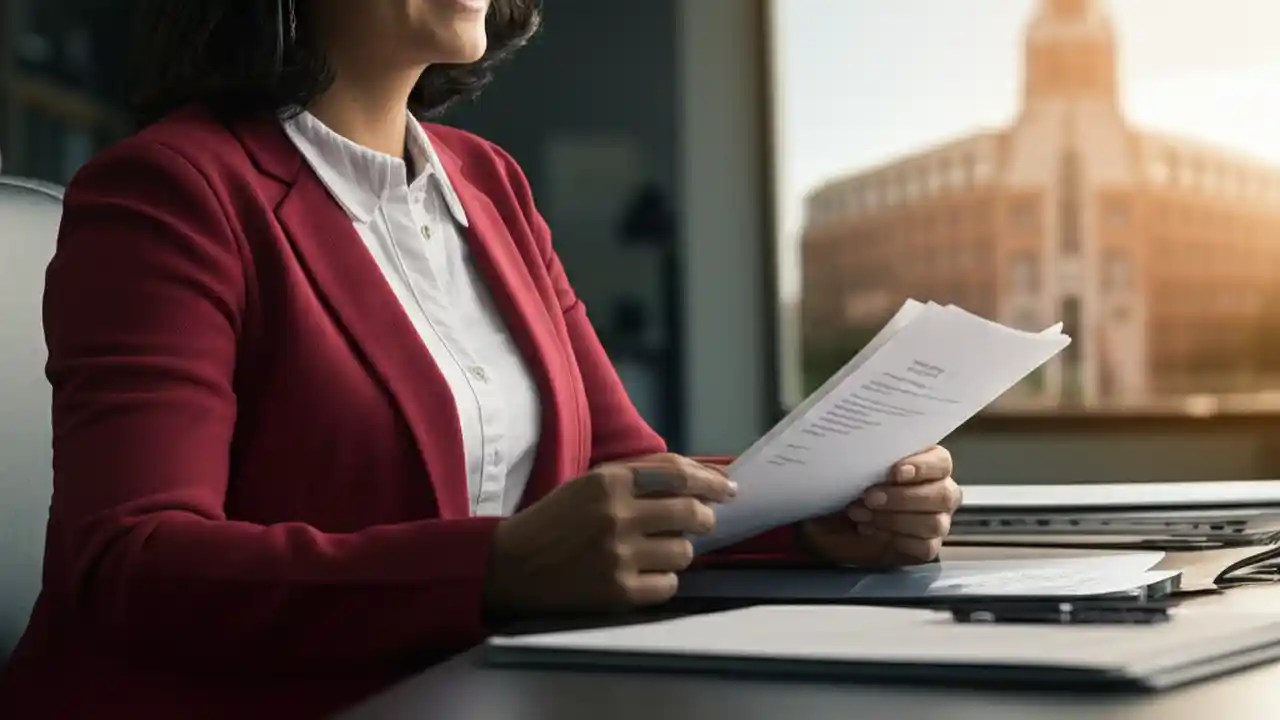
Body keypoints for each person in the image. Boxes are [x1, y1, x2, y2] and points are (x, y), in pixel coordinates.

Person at [0, 0, 962, 716]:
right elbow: (132, 563)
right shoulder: (172, 191)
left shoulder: (486, 182)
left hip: (466, 692)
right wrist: (500, 564)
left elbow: (623, 473)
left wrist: (816, 513)